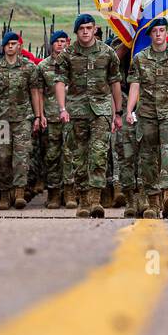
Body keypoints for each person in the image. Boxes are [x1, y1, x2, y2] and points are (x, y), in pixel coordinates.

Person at [53, 14, 122, 217]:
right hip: (76, 111)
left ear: (94, 30)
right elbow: (59, 81)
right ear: (76, 32)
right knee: (79, 157)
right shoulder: (67, 54)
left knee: (99, 154)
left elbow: (115, 82)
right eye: (81, 28)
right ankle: (83, 199)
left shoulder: (108, 53)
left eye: (89, 27)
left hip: (101, 111)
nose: (85, 31)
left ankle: (95, 200)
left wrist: (117, 112)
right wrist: (62, 108)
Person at [125, 17, 168, 218]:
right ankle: (153, 202)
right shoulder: (140, 58)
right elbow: (135, 85)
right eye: (155, 31)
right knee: (147, 158)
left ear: (166, 33)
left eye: (162, 30)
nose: (158, 34)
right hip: (146, 113)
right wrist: (129, 110)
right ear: (150, 35)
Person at [0, 31, 36, 210]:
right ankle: (5, 195)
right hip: (2, 120)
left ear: (19, 46)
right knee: (3, 157)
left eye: (14, 43)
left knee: (21, 157)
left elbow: (34, 92)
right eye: (7, 44)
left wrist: (37, 116)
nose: (10, 46)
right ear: (3, 46)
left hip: (23, 118)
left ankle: (20, 193)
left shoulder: (29, 67)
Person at [33, 30, 74, 209]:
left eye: (63, 41)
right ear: (51, 44)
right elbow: (39, 93)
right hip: (50, 116)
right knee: (52, 156)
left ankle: (70, 192)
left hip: (71, 115)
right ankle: (54, 193)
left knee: (70, 154)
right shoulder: (43, 66)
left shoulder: (73, 63)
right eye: (56, 41)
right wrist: (40, 115)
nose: (60, 44)